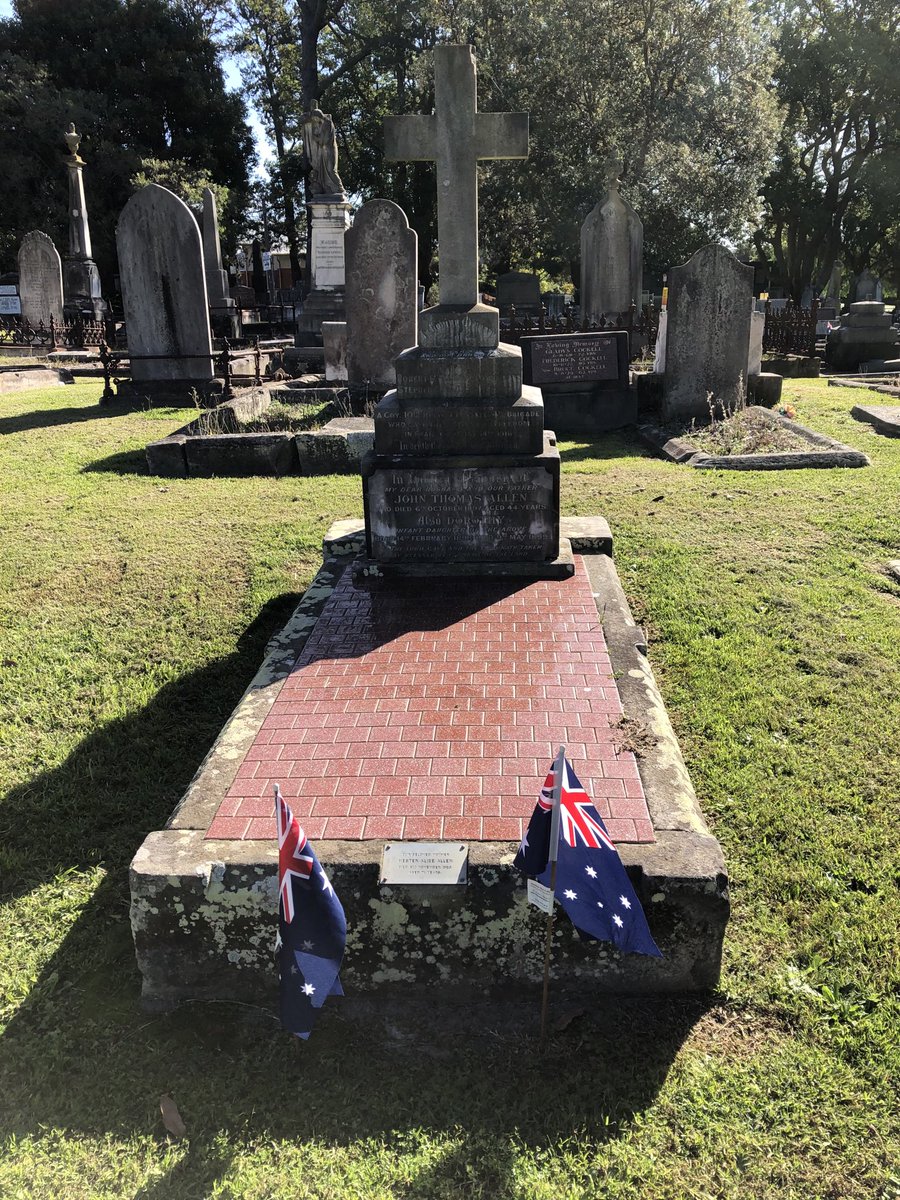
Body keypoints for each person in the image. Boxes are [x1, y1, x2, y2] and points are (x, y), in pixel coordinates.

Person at [302, 108, 345, 197]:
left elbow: (324, 141)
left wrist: (315, 137)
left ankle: (340, 188)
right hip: (323, 152)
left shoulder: (327, 123)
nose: (314, 120)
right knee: (322, 172)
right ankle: (327, 188)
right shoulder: (321, 124)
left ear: (319, 116)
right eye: (313, 119)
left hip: (329, 150)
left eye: (315, 118)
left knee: (331, 170)